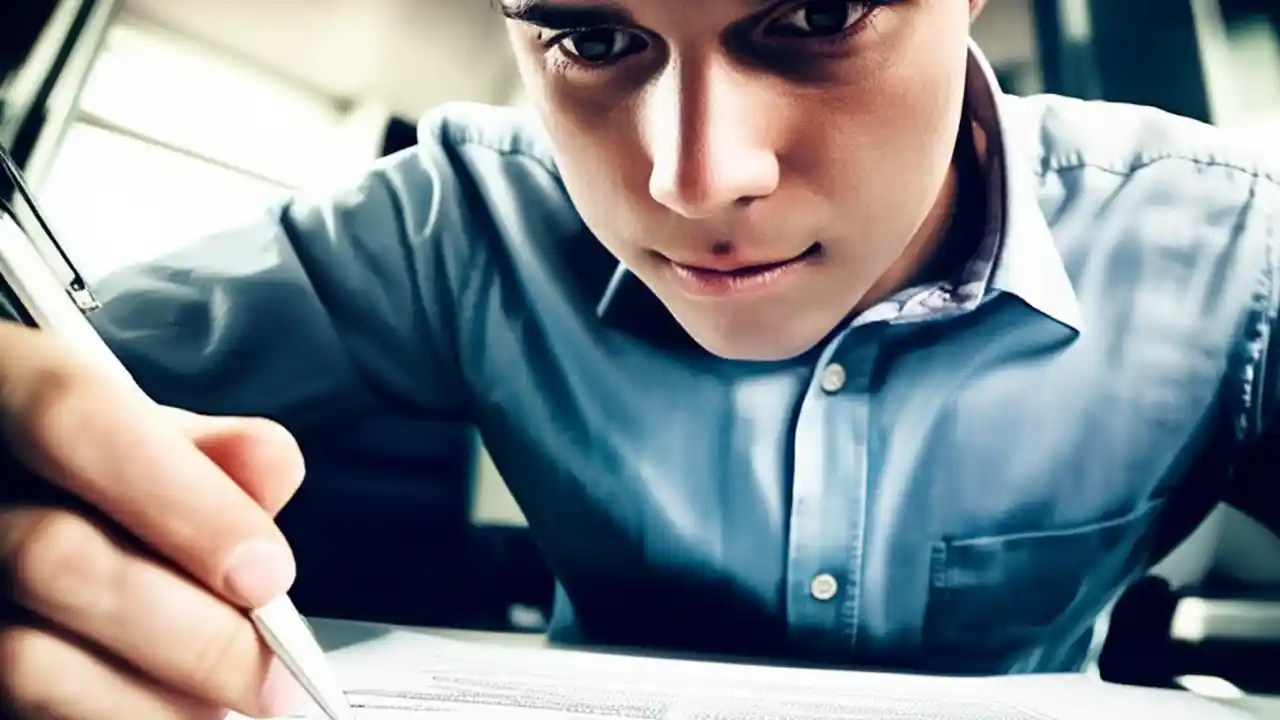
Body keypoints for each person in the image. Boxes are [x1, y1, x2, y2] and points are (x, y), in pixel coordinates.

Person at [1, 0, 1277, 718]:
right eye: (588, 36)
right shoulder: (458, 218)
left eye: (816, 13)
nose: (691, 177)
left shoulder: (1230, 250)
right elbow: (49, 376)